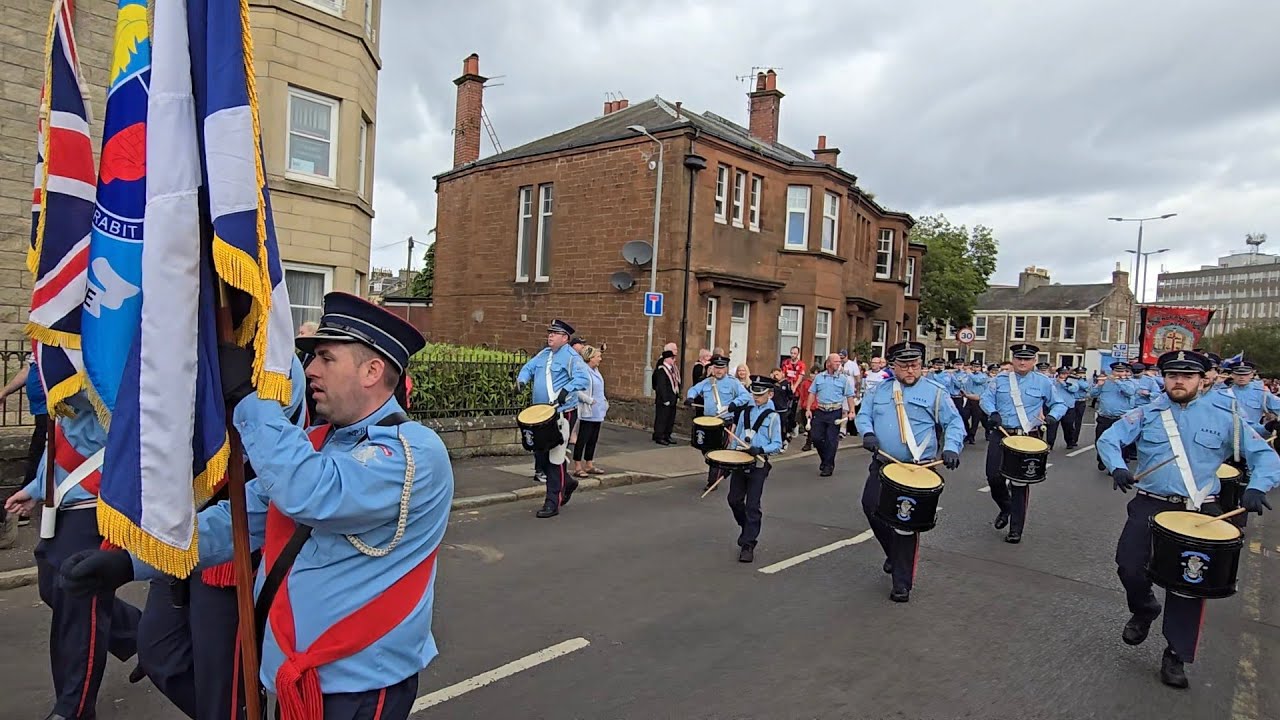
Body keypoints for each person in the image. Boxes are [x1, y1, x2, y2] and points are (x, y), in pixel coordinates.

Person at [61, 291, 453, 720]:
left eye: (325, 357)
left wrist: (251, 399)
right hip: (293, 675)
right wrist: (131, 563)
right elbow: (235, 522)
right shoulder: (317, 444)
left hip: (356, 684)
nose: (310, 370)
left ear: (372, 371)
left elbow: (311, 493)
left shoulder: (413, 451)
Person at [129, 354, 308, 720]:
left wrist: (240, 391)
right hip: (184, 523)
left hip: (234, 539)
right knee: (158, 651)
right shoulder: (179, 345)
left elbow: (279, 428)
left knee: (222, 688)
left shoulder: (274, 356)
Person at [1098, 349, 1279, 690]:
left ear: (1201, 379)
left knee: (1189, 585)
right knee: (1129, 566)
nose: (1179, 381)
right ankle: (1145, 608)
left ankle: (1176, 653)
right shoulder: (1148, 413)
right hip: (1151, 503)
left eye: (1187, 376)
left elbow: (1265, 456)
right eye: (1172, 375)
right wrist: (1117, 465)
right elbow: (1110, 438)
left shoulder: (1226, 415)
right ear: (1164, 379)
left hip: (1199, 510)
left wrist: (1257, 486)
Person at [4, 389, 142, 720]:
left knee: (78, 598)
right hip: (65, 497)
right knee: (52, 584)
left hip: (97, 499)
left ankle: (73, 709)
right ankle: (145, 634)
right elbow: (60, 434)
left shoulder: (90, 360)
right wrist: (38, 487)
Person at [856, 341, 964, 602]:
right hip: (885, 463)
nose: (910, 370)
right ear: (893, 367)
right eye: (904, 366)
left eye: (914, 365)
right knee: (871, 506)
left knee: (905, 523)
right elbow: (863, 415)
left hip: (918, 468)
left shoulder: (935, 392)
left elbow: (954, 422)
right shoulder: (879, 391)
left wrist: (951, 448)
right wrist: (867, 433)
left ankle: (901, 583)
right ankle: (893, 554)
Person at [979, 343, 1068, 543]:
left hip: (1028, 436)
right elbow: (986, 399)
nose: (1022, 362)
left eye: (1027, 359)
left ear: (1034, 361)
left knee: (1020, 482)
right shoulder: (1000, 380)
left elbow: (1059, 403)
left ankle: (1016, 529)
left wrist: (1053, 416)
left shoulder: (1043, 382)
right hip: (1002, 434)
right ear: (1013, 359)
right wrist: (992, 412)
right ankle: (1006, 507)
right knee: (993, 477)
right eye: (1019, 358)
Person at [517, 319, 590, 517]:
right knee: (541, 454)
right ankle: (568, 482)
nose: (550, 335)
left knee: (555, 458)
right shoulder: (543, 354)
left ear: (565, 338)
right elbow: (528, 368)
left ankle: (552, 502)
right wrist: (521, 380)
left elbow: (583, 378)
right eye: (550, 332)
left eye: (555, 333)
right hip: (540, 413)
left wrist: (567, 390)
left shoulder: (571, 357)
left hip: (562, 412)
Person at [1212, 358, 1280, 528]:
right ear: (1232, 375)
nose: (1241, 377)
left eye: (1245, 374)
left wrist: (1272, 426)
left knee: (1245, 492)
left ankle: (1238, 527)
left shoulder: (1262, 394)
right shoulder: (1221, 394)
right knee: (1221, 489)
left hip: (1250, 445)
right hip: (1225, 448)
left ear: (1252, 375)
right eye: (1237, 374)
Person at [724, 375, 784, 563]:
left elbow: (777, 444)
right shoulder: (745, 413)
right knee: (733, 499)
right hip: (741, 461)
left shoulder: (774, 417)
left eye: (760, 394)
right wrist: (729, 459)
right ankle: (747, 528)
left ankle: (748, 544)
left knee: (752, 505)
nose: (756, 398)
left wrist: (761, 449)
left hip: (758, 463)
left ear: (770, 394)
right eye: (754, 394)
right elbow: (737, 437)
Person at [686, 355, 751, 491]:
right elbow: (694, 389)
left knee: (717, 450)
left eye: (721, 368)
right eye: (716, 368)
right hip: (708, 421)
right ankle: (720, 468)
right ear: (713, 368)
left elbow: (746, 396)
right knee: (705, 448)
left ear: (726, 368)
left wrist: (734, 404)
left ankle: (712, 481)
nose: (719, 371)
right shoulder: (707, 382)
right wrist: (690, 397)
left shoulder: (733, 383)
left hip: (724, 422)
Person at [806, 354, 857, 477]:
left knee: (831, 440)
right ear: (828, 363)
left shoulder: (843, 379)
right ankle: (825, 459)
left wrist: (852, 411)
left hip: (835, 412)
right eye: (836, 362)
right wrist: (808, 409)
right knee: (816, 437)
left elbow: (850, 396)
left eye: (839, 362)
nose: (838, 364)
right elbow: (812, 393)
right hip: (820, 410)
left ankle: (828, 465)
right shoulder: (819, 377)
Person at [1090, 361, 1138, 470]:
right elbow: (1092, 394)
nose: (1119, 373)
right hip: (1104, 417)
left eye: (1121, 371)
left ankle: (1115, 465)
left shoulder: (1128, 382)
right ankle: (1102, 459)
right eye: (1117, 371)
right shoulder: (1105, 382)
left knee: (1119, 443)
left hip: (1120, 418)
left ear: (1126, 372)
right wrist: (1098, 385)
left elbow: (1130, 392)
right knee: (1100, 440)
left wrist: (1118, 381)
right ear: (1112, 371)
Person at [573, 345, 609, 477]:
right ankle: (577, 465)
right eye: (598, 356)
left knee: (593, 439)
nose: (600, 359)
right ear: (590, 358)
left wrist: (604, 402)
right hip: (588, 411)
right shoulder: (583, 371)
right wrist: (588, 400)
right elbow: (576, 390)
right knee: (582, 438)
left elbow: (600, 390)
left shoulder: (596, 371)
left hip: (598, 411)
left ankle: (589, 464)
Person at [651, 348, 679, 445]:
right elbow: (661, 386)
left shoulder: (672, 370)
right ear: (666, 359)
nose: (673, 360)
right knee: (662, 419)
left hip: (672, 398)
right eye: (672, 358)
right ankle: (659, 436)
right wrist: (665, 399)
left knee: (670, 418)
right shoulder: (662, 370)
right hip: (664, 399)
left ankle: (667, 435)